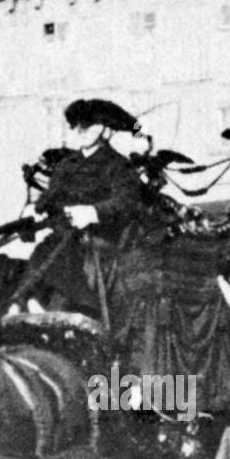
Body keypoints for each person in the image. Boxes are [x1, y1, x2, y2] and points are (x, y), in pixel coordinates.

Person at [29, 98, 146, 314]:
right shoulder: (66, 165)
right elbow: (51, 196)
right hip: (61, 237)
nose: (81, 131)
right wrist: (36, 210)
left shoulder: (119, 165)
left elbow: (126, 202)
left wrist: (93, 212)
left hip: (98, 240)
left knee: (60, 255)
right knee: (11, 261)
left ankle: (77, 309)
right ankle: (21, 304)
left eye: (89, 125)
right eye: (78, 125)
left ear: (105, 130)